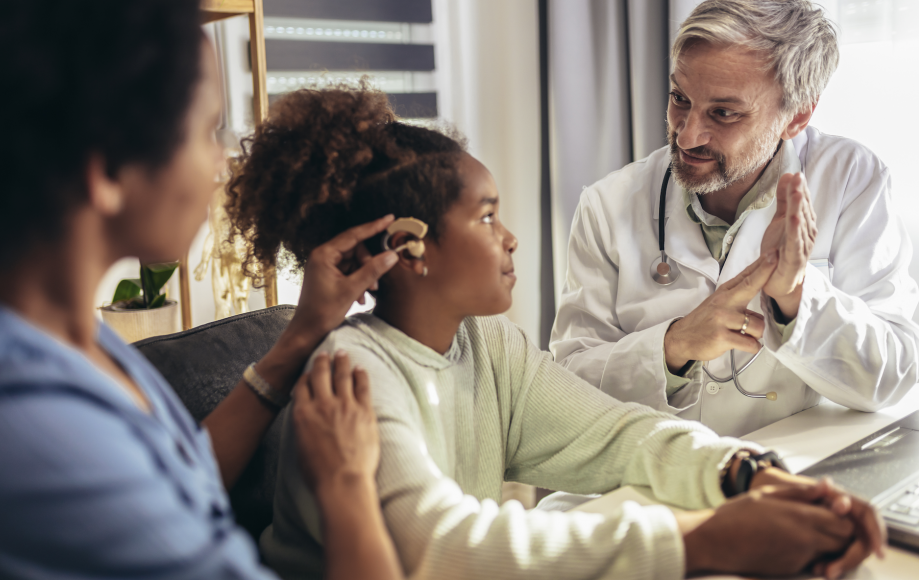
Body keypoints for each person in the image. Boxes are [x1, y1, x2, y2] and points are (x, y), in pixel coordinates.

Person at [226, 85, 885, 580]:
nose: (510, 238)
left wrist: (747, 473)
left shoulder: (489, 346)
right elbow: (437, 543)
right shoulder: (350, 372)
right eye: (486, 218)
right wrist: (703, 538)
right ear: (410, 245)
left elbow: (621, 436)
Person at [0, 0, 402, 579]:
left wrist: (298, 338)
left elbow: (173, 485)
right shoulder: (21, 434)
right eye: (208, 130)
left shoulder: (63, 332)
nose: (221, 164)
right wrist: (348, 483)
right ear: (107, 165)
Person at [550, 0, 919, 437]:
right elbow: (563, 387)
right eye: (679, 99)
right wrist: (673, 346)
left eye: (723, 114)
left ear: (797, 116)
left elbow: (894, 376)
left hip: (793, 471)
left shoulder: (850, 180)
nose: (685, 137)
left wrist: (795, 297)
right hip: (657, 479)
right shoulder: (607, 205)